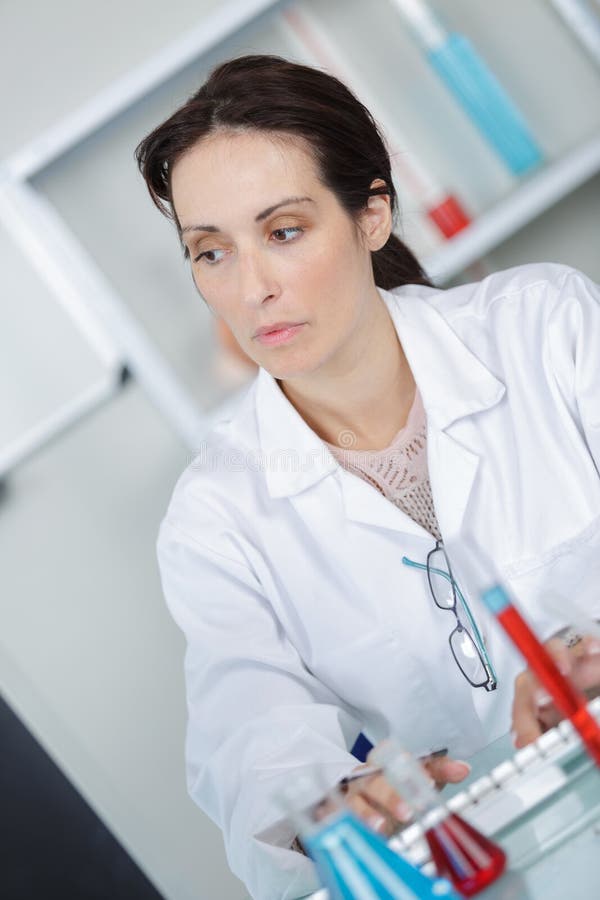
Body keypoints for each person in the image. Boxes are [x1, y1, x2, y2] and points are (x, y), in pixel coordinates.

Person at [135, 54, 600, 900]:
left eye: (283, 232)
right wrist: (335, 804)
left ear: (372, 215)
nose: (254, 289)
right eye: (211, 253)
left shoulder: (545, 330)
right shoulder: (216, 517)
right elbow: (250, 738)